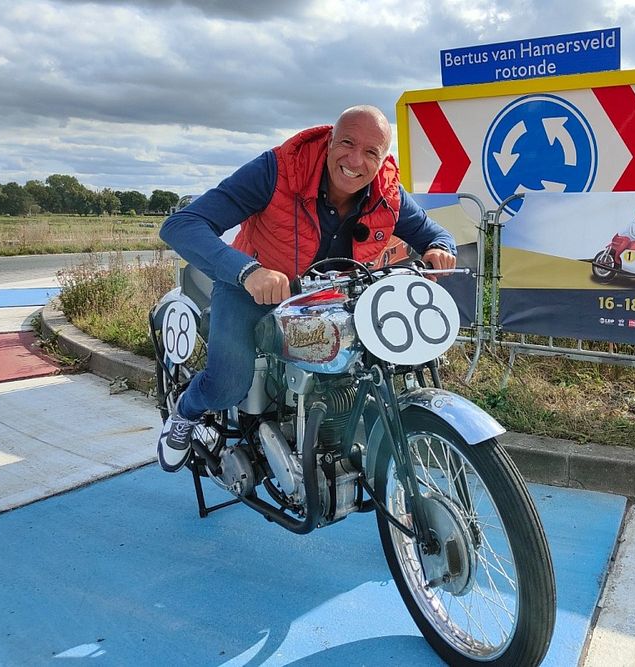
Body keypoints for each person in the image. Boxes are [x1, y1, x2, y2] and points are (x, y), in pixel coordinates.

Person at [156, 105, 457, 471]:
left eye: (371, 152)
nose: (356, 159)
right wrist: (247, 271)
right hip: (253, 287)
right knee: (228, 385)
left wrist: (441, 250)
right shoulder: (278, 170)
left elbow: (435, 234)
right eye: (347, 142)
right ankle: (185, 414)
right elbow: (182, 225)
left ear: (383, 159)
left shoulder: (387, 192)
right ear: (329, 141)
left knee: (372, 370)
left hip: (328, 301)